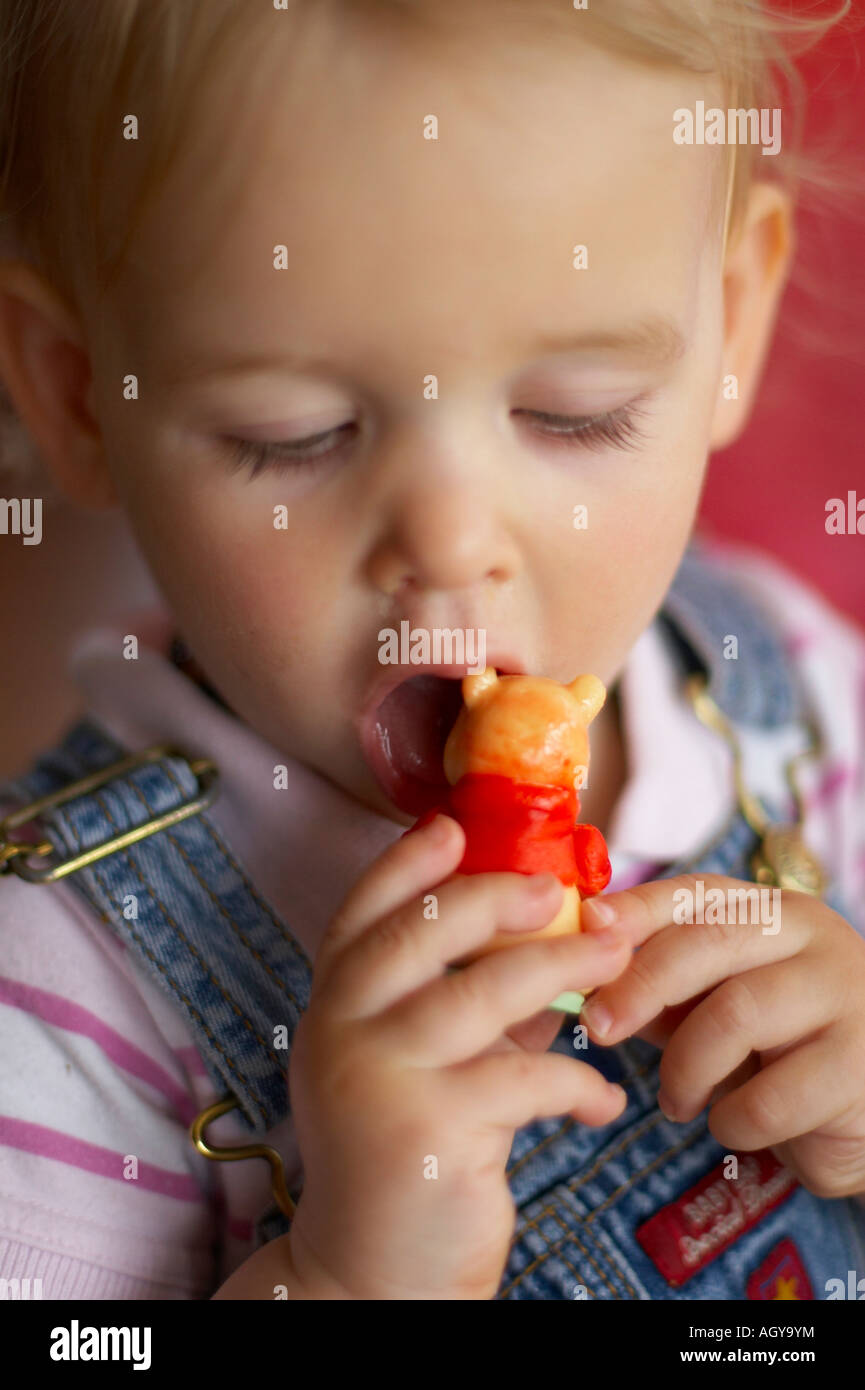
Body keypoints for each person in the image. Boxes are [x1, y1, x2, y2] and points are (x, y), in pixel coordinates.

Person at [0, 0, 863, 1302]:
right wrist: (341, 1276)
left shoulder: (785, 690)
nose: (452, 545)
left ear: (728, 319)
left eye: (575, 415)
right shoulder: (57, 997)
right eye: (294, 436)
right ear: (75, 395)